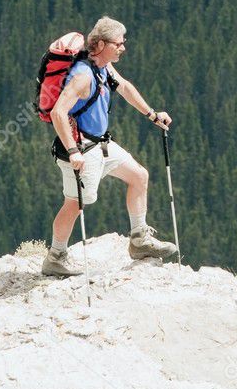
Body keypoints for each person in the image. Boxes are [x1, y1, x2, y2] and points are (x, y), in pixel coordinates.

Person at [42, 15, 178, 277]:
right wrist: (72, 151)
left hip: (102, 145)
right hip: (82, 148)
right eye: (119, 43)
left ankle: (139, 240)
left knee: (139, 176)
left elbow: (125, 88)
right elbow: (59, 113)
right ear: (101, 44)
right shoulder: (83, 75)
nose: (123, 47)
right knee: (76, 203)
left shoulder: (103, 68)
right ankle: (55, 257)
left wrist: (152, 115)